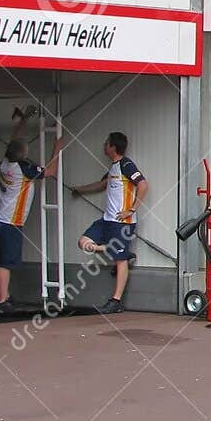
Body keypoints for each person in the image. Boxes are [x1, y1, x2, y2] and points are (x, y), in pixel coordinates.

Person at [0, 105, 67, 316]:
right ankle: (3, 301)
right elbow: (50, 171)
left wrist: (24, 121)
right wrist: (58, 147)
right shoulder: (23, 169)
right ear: (22, 154)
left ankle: (3, 294)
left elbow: (13, 141)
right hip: (10, 222)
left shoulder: (6, 163)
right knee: (6, 263)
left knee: (1, 261)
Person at [71, 131, 147, 314]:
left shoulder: (126, 164)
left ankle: (116, 301)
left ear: (113, 146)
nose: (104, 146)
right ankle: (115, 251)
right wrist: (79, 189)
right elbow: (101, 184)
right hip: (106, 220)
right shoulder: (113, 168)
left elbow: (143, 185)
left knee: (119, 260)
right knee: (83, 242)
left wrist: (132, 209)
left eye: (106, 143)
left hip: (123, 223)